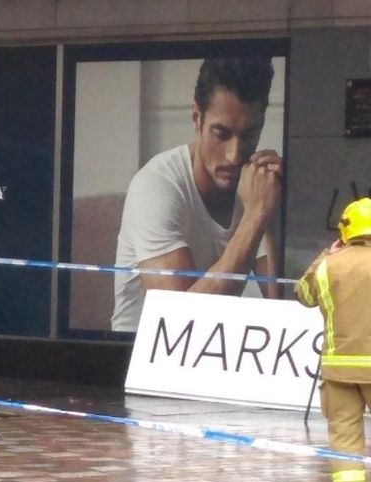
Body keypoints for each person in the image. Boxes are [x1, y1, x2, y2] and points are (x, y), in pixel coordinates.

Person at [111, 57, 283, 332]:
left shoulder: (255, 187)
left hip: (214, 358)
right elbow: (179, 323)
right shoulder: (156, 186)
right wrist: (255, 217)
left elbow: (279, 311)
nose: (235, 154)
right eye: (221, 133)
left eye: (250, 134)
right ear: (196, 118)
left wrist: (269, 216)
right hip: (135, 361)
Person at [295, 198, 371, 482]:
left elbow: (303, 294)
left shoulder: (329, 266)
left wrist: (327, 255)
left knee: (345, 441)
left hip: (339, 371)